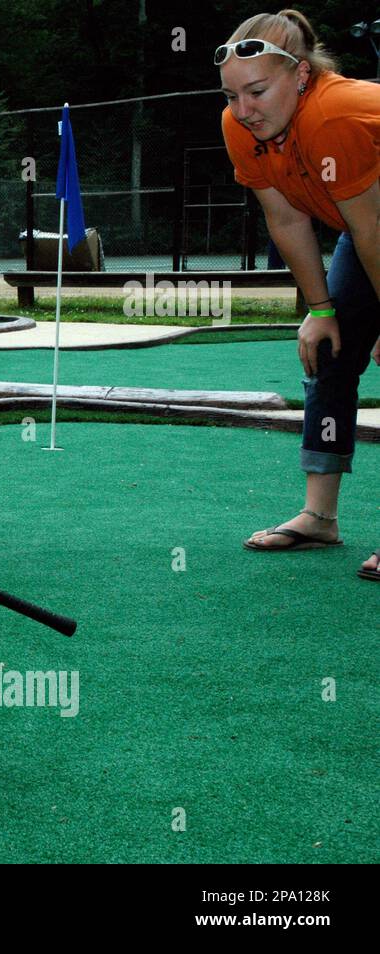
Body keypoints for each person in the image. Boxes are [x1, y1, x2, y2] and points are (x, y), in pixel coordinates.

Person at [218, 10, 380, 583]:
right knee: (329, 354)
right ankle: (320, 516)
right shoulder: (241, 129)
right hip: (367, 234)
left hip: (374, 228)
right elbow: (286, 220)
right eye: (233, 95)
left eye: (257, 91)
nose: (244, 110)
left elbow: (371, 229)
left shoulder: (334, 115)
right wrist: (322, 311)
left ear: (302, 76)